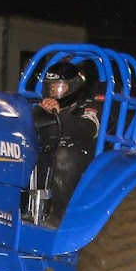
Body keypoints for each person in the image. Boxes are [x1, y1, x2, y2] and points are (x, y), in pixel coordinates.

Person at [33, 60, 102, 221]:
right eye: (51, 88)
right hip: (49, 153)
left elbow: (88, 130)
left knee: (63, 156)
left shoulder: (87, 106)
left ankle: (60, 216)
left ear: (73, 87)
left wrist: (60, 114)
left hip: (82, 156)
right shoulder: (41, 109)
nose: (53, 93)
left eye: (59, 87)